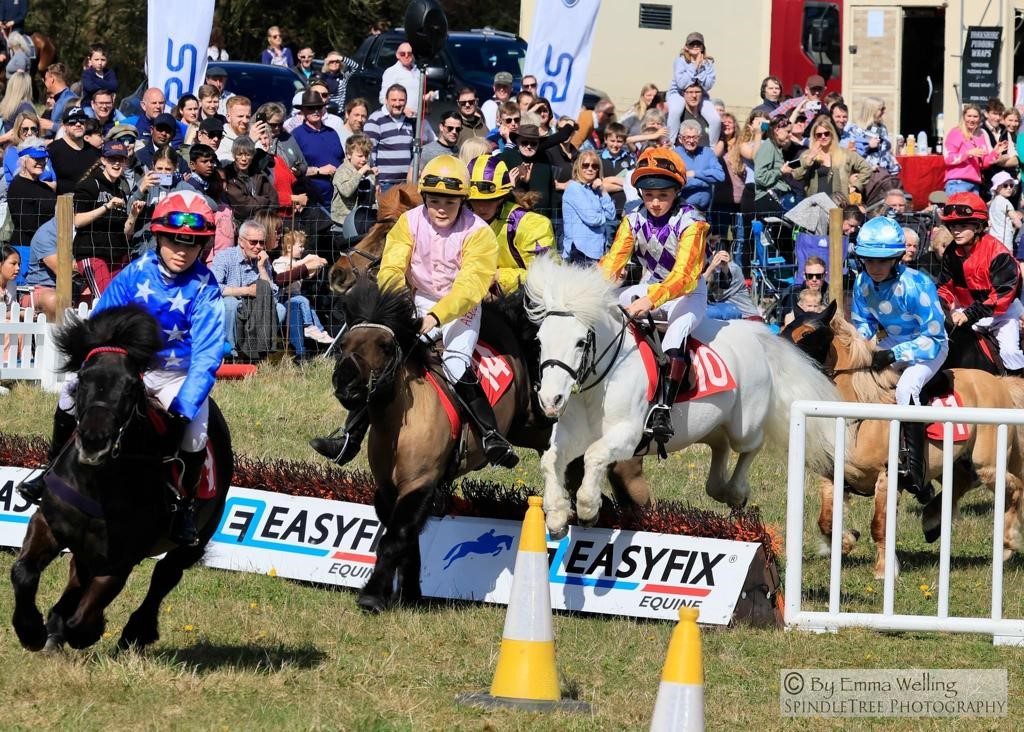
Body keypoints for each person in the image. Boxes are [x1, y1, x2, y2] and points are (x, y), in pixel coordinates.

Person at [19, 190, 224, 546]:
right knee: (69, 393)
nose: (181, 250)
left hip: (180, 376)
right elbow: (100, 321)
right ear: (158, 236)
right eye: (174, 240)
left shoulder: (206, 290)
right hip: (131, 369)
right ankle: (51, 469)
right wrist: (96, 368)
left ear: (202, 247)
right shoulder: (136, 272)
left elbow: (207, 356)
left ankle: (185, 507)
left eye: (191, 244)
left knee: (193, 436)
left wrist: (185, 405)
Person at [310, 154, 519, 469]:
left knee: (455, 366)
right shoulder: (408, 222)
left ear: (463, 200)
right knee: (385, 361)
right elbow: (393, 266)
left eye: (449, 202)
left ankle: (490, 435)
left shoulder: (479, 232)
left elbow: (470, 286)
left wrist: (435, 318)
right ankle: (349, 437)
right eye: (434, 200)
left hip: (459, 308)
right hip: (417, 299)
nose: (440, 208)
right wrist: (399, 302)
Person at [599, 147, 708, 443]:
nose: (655, 202)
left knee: (675, 336)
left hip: (688, 294)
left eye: (663, 195)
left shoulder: (692, 222)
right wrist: (593, 287)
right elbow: (613, 261)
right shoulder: (632, 219)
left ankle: (663, 410)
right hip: (651, 288)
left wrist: (649, 301)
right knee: (613, 305)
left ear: (676, 192)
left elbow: (684, 276)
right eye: (648, 196)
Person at [852, 217, 947, 499]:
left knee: (907, 388)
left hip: (930, 345)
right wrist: (865, 348)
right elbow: (864, 322)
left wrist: (895, 353)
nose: (874, 267)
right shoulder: (862, 282)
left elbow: (934, 336)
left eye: (881, 261)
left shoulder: (917, 284)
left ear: (895, 259)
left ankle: (916, 472)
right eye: (868, 261)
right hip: (894, 341)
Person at [937, 192, 1024, 374]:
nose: (956, 231)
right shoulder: (951, 253)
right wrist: (940, 305)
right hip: (968, 311)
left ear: (978, 227)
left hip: (1002, 315)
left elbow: (1000, 297)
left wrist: (969, 314)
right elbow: (945, 288)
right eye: (952, 226)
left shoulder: (999, 254)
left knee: (1010, 353)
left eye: (962, 225)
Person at [466, 154, 554, 293]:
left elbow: (548, 276)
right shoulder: (462, 221)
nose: (482, 207)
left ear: (502, 197)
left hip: (525, 304)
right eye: (476, 200)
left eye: (490, 200)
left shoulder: (532, 225)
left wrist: (497, 276)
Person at [73, 140, 133, 296]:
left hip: (117, 255)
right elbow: (78, 221)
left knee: (121, 300)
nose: (117, 164)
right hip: (92, 253)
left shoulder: (121, 190)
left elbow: (126, 231)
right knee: (106, 298)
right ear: (104, 160)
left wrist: (134, 214)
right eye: (112, 159)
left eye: (121, 160)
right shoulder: (89, 185)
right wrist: (106, 207)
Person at [791, 115, 873, 200]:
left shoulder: (845, 153)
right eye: (819, 135)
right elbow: (796, 174)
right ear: (815, 137)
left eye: (826, 133)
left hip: (839, 204)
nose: (823, 137)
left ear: (832, 134)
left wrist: (856, 186)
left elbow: (867, 168)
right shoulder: (806, 154)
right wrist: (810, 158)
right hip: (816, 205)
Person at [272, 229, 332, 344]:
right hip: (285, 296)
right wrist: (307, 260)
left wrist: (317, 266)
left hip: (296, 296)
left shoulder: (296, 262)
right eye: (300, 246)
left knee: (311, 310)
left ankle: (321, 332)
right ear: (289, 248)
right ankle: (309, 327)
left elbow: (307, 275)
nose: (302, 249)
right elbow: (286, 271)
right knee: (303, 300)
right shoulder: (280, 261)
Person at [665, 32, 720, 148]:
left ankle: (712, 148)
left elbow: (708, 85)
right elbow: (682, 83)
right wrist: (695, 66)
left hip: (700, 95)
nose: (695, 46)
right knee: (675, 111)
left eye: (698, 44)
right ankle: (670, 143)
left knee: (715, 119)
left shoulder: (708, 63)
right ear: (686, 46)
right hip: (678, 94)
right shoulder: (680, 61)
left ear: (702, 47)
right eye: (692, 44)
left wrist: (700, 68)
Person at [291, 90, 343, 212]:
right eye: (311, 108)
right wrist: (319, 171)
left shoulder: (332, 133)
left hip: (338, 198)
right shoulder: (296, 135)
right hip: (313, 201)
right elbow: (293, 170)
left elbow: (342, 159)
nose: (316, 111)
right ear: (303, 111)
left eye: (319, 107)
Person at [560, 149, 615, 265]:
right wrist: (603, 216)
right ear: (578, 167)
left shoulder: (595, 190)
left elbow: (612, 214)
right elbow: (592, 219)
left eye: (594, 166)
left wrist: (603, 190)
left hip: (597, 250)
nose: (590, 169)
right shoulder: (574, 188)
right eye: (585, 165)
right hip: (580, 251)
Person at [943, 104, 1006, 195]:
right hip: (957, 182)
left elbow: (984, 164)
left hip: (975, 184)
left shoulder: (981, 134)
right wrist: (968, 153)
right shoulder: (955, 132)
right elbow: (948, 159)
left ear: (980, 118)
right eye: (969, 116)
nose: (972, 120)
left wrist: (995, 153)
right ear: (964, 117)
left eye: (975, 116)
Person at [363, 84, 414, 192]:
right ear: (386, 100)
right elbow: (369, 152)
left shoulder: (410, 122)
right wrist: (374, 180)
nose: (397, 103)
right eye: (393, 100)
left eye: (401, 100)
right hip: (384, 184)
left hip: (406, 183)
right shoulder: (375, 119)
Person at [8, 142, 56, 246]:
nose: (41, 162)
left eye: (43, 158)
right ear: (23, 160)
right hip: (26, 247)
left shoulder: (44, 187)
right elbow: (28, 224)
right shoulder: (18, 186)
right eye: (36, 158)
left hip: (49, 244)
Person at [222, 136, 277, 221]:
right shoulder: (229, 175)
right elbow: (243, 206)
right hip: (239, 223)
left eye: (248, 155)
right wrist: (264, 200)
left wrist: (264, 217)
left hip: (263, 221)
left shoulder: (258, 173)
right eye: (240, 154)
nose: (244, 159)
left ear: (253, 156)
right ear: (233, 155)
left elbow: (273, 199)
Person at [675, 119, 724, 211]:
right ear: (680, 139)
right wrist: (705, 182)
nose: (691, 140)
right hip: (682, 210)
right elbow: (677, 183)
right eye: (687, 137)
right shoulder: (675, 154)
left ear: (700, 137)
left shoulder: (708, 152)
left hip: (705, 211)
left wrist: (694, 174)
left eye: (695, 137)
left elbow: (720, 176)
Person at [754, 115, 798, 217]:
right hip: (768, 200)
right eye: (788, 132)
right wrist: (780, 171)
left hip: (777, 198)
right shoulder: (769, 146)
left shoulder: (777, 147)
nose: (790, 135)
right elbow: (759, 176)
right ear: (777, 130)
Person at [844, 96, 900, 175]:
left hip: (886, 172)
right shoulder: (856, 129)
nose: (884, 112)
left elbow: (886, 151)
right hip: (870, 173)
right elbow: (853, 154)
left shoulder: (882, 127)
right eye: (881, 109)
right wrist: (868, 146)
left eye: (884, 108)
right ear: (872, 110)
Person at [378, 42, 433, 119]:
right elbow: (383, 98)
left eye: (409, 53)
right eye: (402, 54)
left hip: (418, 119)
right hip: (400, 118)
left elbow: (417, 95)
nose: (406, 56)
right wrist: (403, 109)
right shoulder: (391, 72)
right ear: (397, 55)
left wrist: (426, 102)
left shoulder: (418, 72)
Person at [331, 133, 375, 226]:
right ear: (348, 155)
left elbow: (373, 197)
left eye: (366, 156)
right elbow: (346, 192)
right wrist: (359, 173)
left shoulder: (368, 172)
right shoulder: (342, 171)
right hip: (344, 222)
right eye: (360, 156)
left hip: (364, 219)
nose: (364, 159)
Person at [703, 248, 759, 320]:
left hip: (747, 318)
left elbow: (717, 296)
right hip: (730, 316)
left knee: (712, 313)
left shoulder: (733, 269)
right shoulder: (712, 269)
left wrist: (712, 269)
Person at [987, 171, 1021, 249]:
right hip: (1005, 241)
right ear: (997, 187)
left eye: (1011, 185)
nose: (1009, 188)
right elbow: (1017, 222)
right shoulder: (1006, 203)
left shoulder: (992, 203)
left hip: (992, 239)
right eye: (1005, 185)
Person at [42, 64, 75, 138]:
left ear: (52, 79)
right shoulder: (59, 99)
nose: (44, 83)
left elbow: (75, 128)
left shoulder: (70, 99)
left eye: (45, 79)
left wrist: (51, 125)